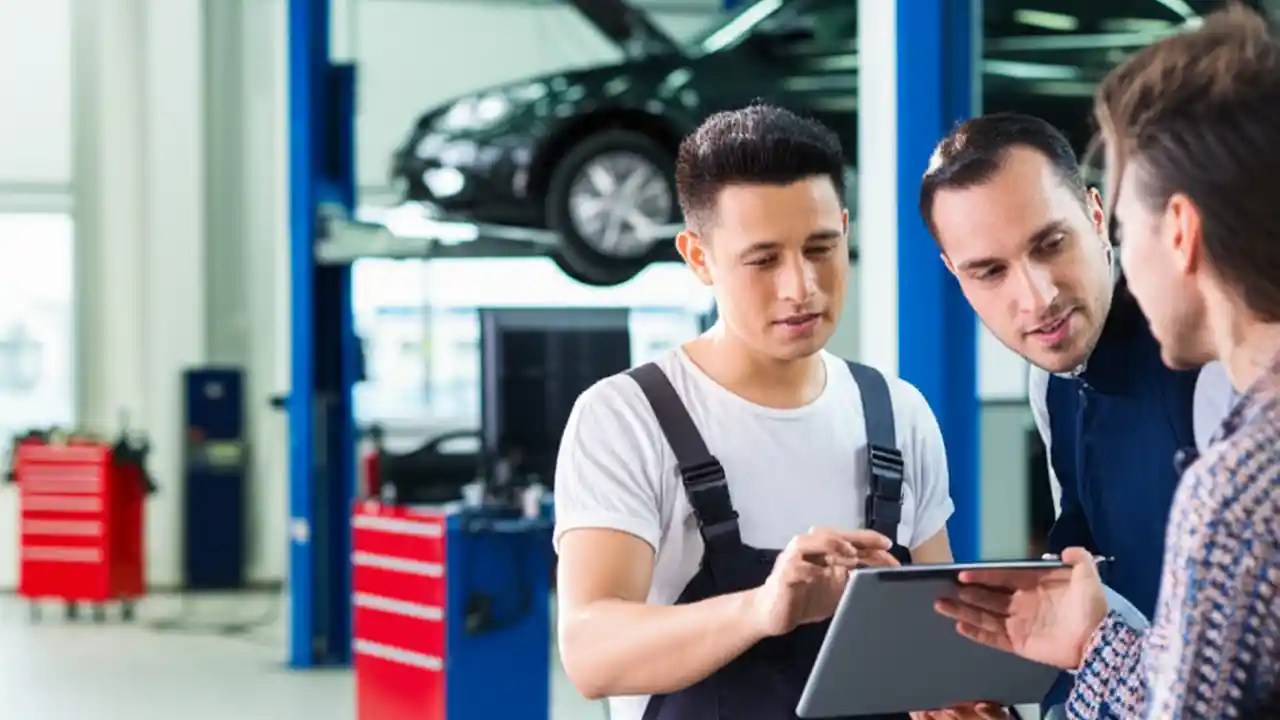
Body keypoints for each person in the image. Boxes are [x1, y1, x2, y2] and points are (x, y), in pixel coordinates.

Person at [552, 104, 1001, 720]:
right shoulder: (627, 418)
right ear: (698, 258)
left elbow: (938, 648)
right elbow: (591, 654)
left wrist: (959, 696)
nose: (802, 288)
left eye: (821, 248)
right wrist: (764, 608)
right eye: (763, 260)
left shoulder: (897, 415)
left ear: (845, 228)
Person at [935, 7, 1280, 717]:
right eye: (989, 271)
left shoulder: (1236, 470)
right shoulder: (1053, 387)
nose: (1036, 296)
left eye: (1054, 242)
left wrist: (1095, 652)